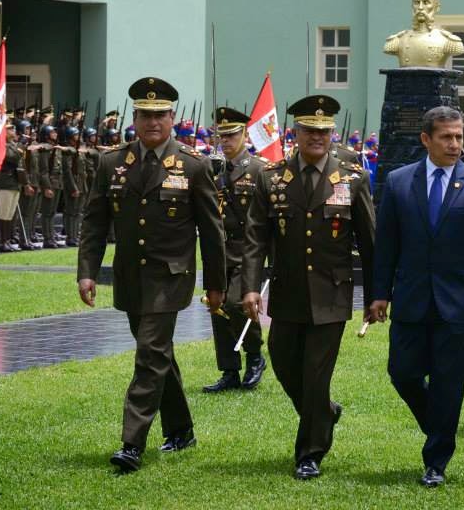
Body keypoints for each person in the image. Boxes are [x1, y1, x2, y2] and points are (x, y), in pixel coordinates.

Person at [77, 77, 226, 474]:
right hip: (129, 277)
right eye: (145, 115)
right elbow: (94, 221)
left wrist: (216, 285)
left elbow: (212, 232)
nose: (152, 122)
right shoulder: (112, 162)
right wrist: (87, 272)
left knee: (148, 355)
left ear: (172, 118)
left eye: (160, 115)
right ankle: (181, 429)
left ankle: (132, 443)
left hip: (170, 279)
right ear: (135, 118)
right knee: (160, 356)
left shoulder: (193, 165)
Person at [241, 95, 375, 481]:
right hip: (287, 291)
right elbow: (254, 239)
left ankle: (309, 453)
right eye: (309, 130)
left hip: (332, 293)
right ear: (295, 133)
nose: (317, 136)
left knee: (316, 374)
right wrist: (250, 287)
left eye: (324, 130)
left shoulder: (353, 178)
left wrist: (378, 294)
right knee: (283, 363)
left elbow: (370, 242)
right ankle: (324, 413)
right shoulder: (272, 178)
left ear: (332, 133)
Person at [369, 105, 464, 487]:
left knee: (448, 382)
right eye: (446, 137)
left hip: (457, 304)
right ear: (426, 139)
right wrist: (379, 294)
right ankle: (439, 424)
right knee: (402, 373)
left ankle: (436, 461)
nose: (455, 144)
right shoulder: (398, 182)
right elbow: (387, 246)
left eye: (459, 136)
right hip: (411, 298)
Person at [201, 106, 266, 394]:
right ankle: (228, 369)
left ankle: (254, 356)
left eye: (231, 135)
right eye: (221, 136)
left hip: (247, 249)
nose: (225, 142)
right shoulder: (212, 169)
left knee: (236, 304)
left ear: (244, 135)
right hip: (219, 250)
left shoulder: (258, 169)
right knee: (216, 307)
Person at [0, 122, 25, 253]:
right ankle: (2, 242)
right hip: (5, 182)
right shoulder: (2, 145)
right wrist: (21, 147)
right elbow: (13, 158)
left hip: (14, 182)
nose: (13, 131)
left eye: (13, 129)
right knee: (4, 213)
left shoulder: (13, 145)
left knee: (10, 214)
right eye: (10, 130)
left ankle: (7, 240)